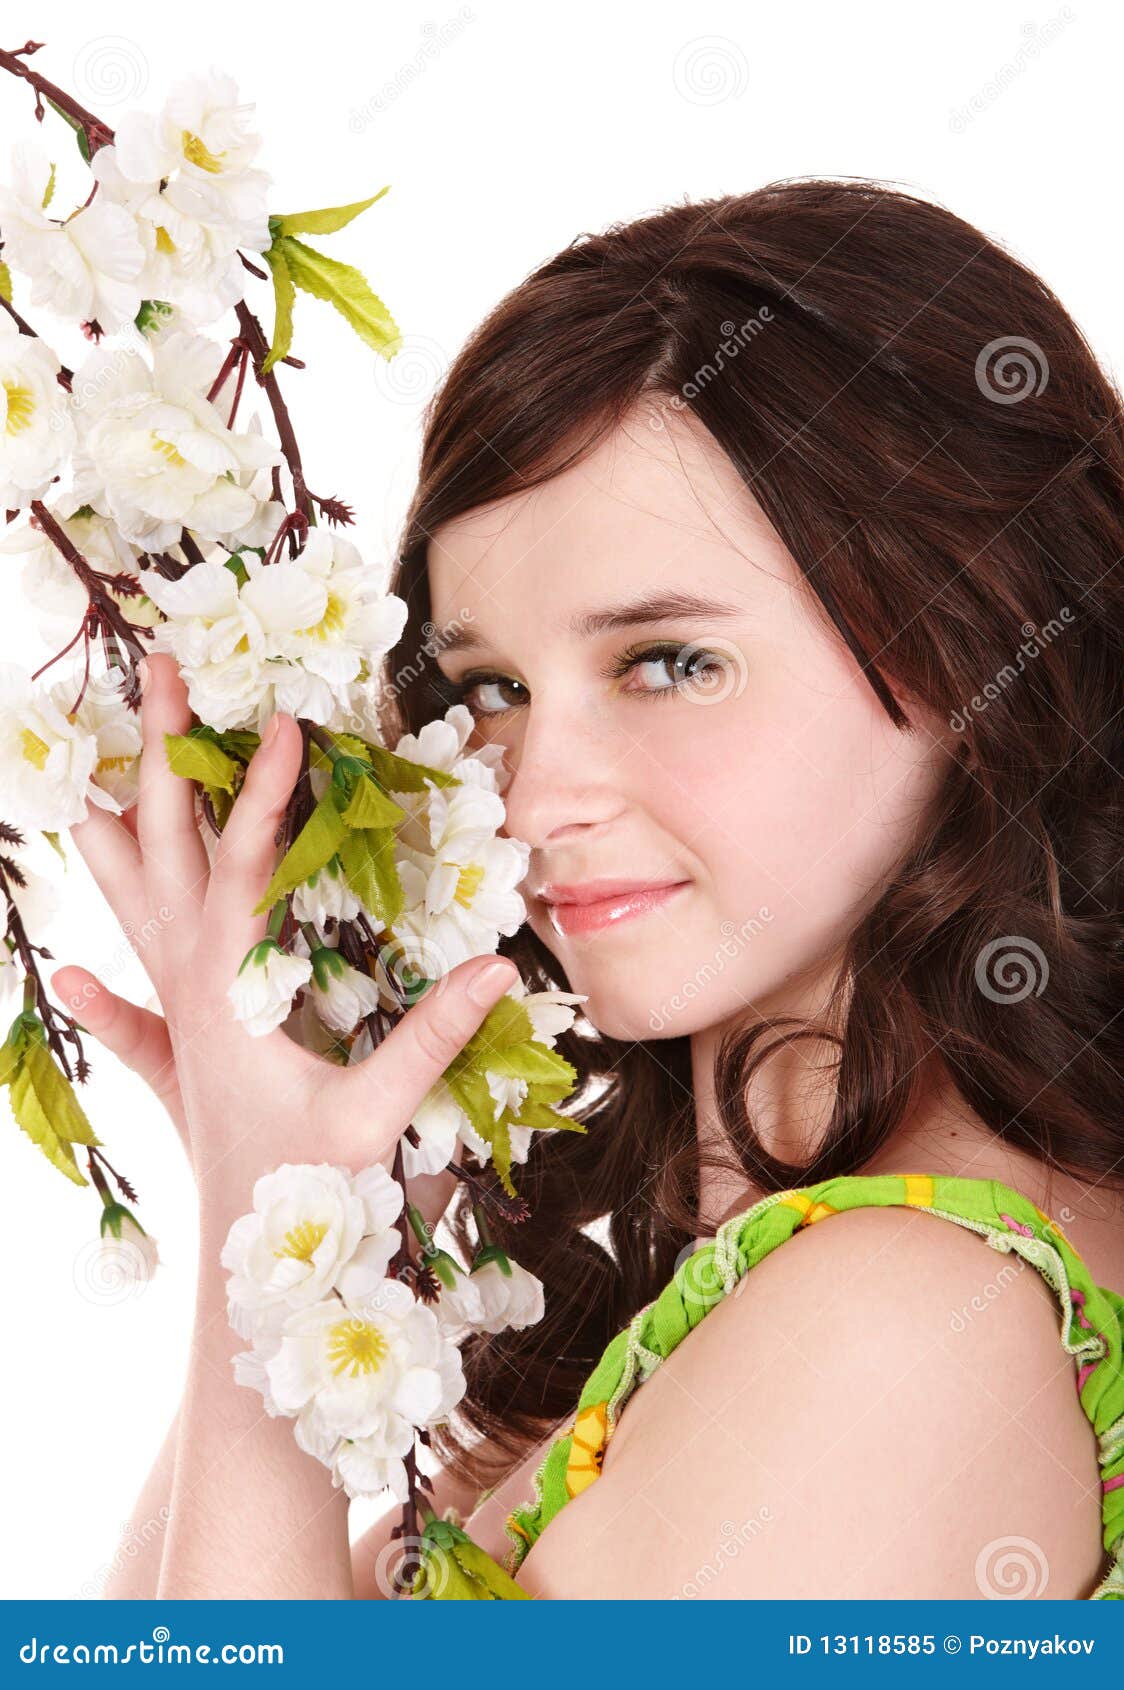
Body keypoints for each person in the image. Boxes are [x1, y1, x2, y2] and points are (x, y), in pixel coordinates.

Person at [59, 178, 1124, 1600]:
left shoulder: (907, 1329)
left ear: (983, 657)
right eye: (489, 685)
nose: (531, 791)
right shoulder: (724, 1317)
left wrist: (282, 1247)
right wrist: (284, 1224)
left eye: (669, 662)